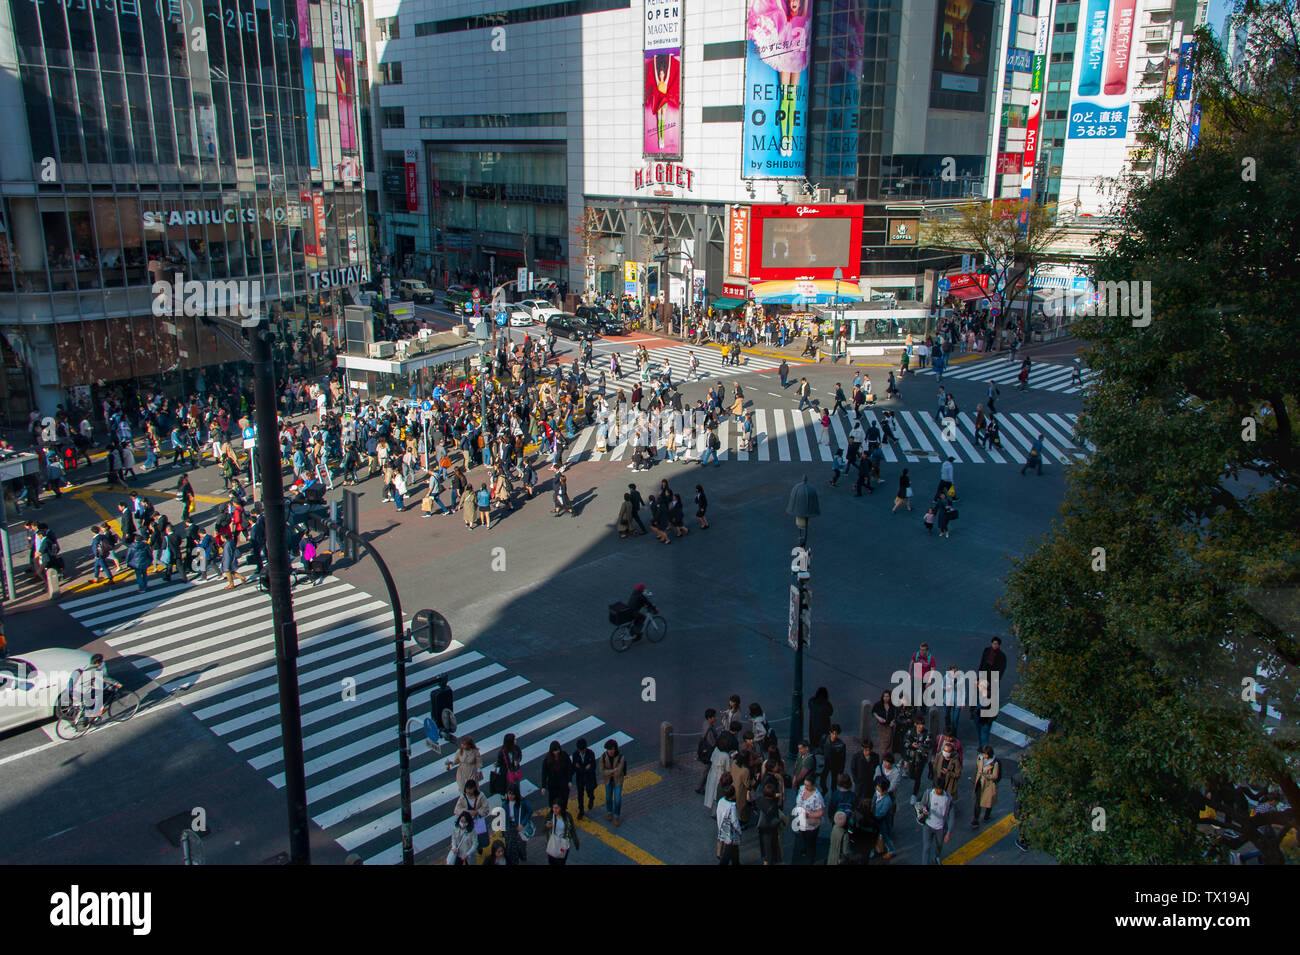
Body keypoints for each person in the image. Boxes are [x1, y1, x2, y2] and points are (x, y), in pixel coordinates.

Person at [918, 780, 955, 865]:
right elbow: (922, 804)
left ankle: (937, 857)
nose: (938, 791)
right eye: (936, 789)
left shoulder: (948, 798)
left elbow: (951, 816)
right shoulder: (928, 793)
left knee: (939, 846)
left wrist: (949, 832)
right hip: (928, 825)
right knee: (926, 848)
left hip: (940, 828)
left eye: (940, 789)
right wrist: (923, 808)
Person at [792, 776, 825, 865]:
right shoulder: (802, 789)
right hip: (802, 821)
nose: (806, 787)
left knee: (811, 841)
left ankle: (811, 858)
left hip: (811, 823)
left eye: (808, 785)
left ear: (813, 785)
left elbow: (821, 812)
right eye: (805, 784)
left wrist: (809, 815)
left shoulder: (817, 797)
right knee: (804, 837)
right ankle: (805, 849)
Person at [755, 780, 785, 865]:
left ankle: (766, 861)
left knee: (765, 850)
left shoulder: (760, 800)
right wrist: (781, 821)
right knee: (770, 851)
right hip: (770, 830)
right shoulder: (773, 806)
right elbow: (774, 819)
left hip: (762, 828)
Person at [971, 745, 1001, 827]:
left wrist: (985, 775)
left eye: (986, 754)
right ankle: (975, 819)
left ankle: (986, 816)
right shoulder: (980, 758)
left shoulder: (995, 763)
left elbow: (995, 776)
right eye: (983, 754)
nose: (984, 756)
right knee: (978, 802)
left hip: (989, 785)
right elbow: (977, 768)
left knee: (989, 801)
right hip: (980, 783)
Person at [571, 738, 598, 820]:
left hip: (589, 776)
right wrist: (585, 768)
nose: (582, 752)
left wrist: (581, 768)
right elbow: (574, 766)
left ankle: (591, 797)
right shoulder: (575, 754)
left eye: (583, 750)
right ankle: (581, 810)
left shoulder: (590, 753)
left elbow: (593, 766)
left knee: (590, 789)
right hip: (580, 777)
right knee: (580, 794)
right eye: (580, 750)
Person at [716, 783, 742, 865]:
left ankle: (736, 862)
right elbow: (734, 822)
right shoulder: (732, 807)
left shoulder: (721, 801)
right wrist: (740, 832)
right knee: (728, 852)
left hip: (722, 828)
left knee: (734, 849)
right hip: (730, 833)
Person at [820, 723, 847, 796]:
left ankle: (833, 795)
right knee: (822, 779)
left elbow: (843, 758)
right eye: (833, 733)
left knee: (834, 782)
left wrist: (841, 770)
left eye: (836, 734)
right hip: (825, 763)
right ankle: (824, 790)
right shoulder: (825, 739)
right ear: (830, 732)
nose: (835, 736)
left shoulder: (841, 744)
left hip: (835, 764)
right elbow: (821, 749)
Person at [872, 689, 899, 758]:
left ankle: (889, 757)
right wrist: (878, 718)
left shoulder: (892, 705)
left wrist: (893, 721)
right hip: (881, 725)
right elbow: (874, 712)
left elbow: (895, 715)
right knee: (884, 742)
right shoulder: (879, 704)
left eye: (887, 696)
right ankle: (884, 757)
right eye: (885, 696)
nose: (886, 698)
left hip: (889, 725)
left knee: (889, 741)